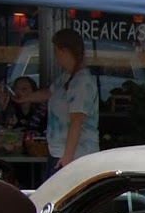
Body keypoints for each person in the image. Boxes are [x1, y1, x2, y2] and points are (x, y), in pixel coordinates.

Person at [22, 28, 99, 176]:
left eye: (56, 51)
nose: (55, 56)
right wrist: (26, 97)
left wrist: (68, 157)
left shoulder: (82, 82)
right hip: (58, 151)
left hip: (76, 155)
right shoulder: (66, 76)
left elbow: (76, 121)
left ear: (63, 51)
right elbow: (49, 93)